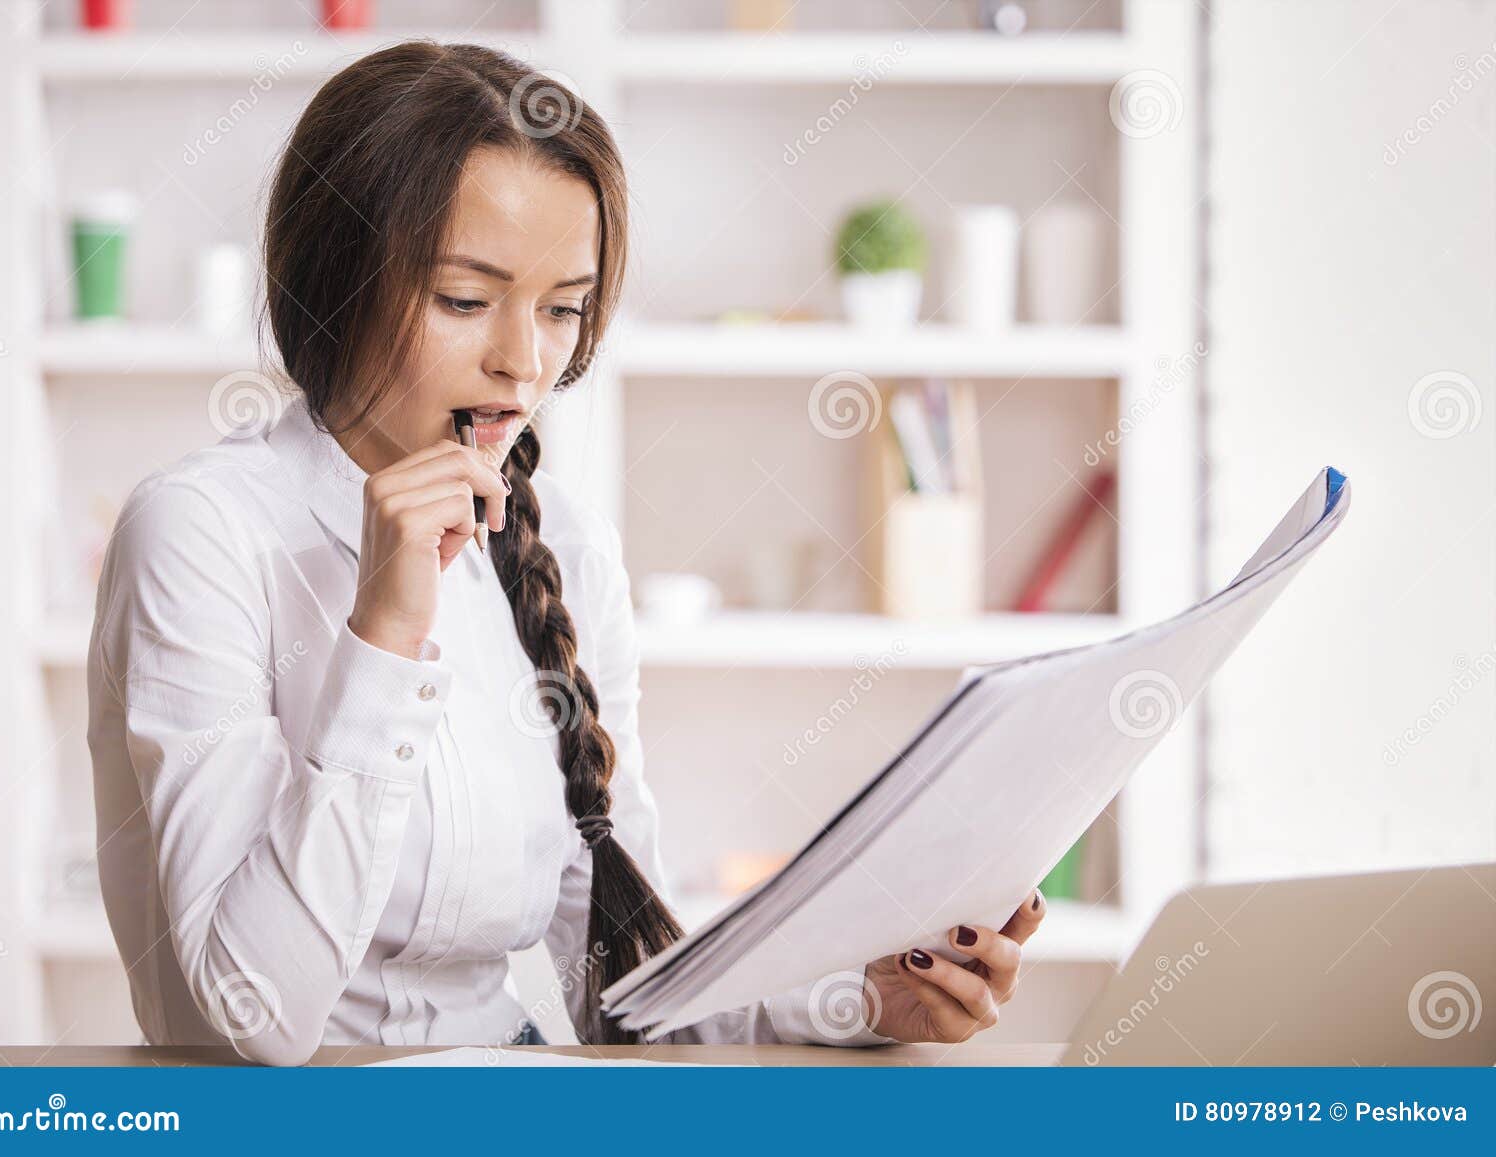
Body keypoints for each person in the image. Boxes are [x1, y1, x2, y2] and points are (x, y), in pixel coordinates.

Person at [86, 40, 1043, 1067]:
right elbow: (250, 1019)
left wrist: (862, 999)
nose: (524, 358)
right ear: (334, 280)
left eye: (562, 308)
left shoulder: (564, 549)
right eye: (465, 299)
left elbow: (624, 989)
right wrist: (386, 633)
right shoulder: (200, 533)